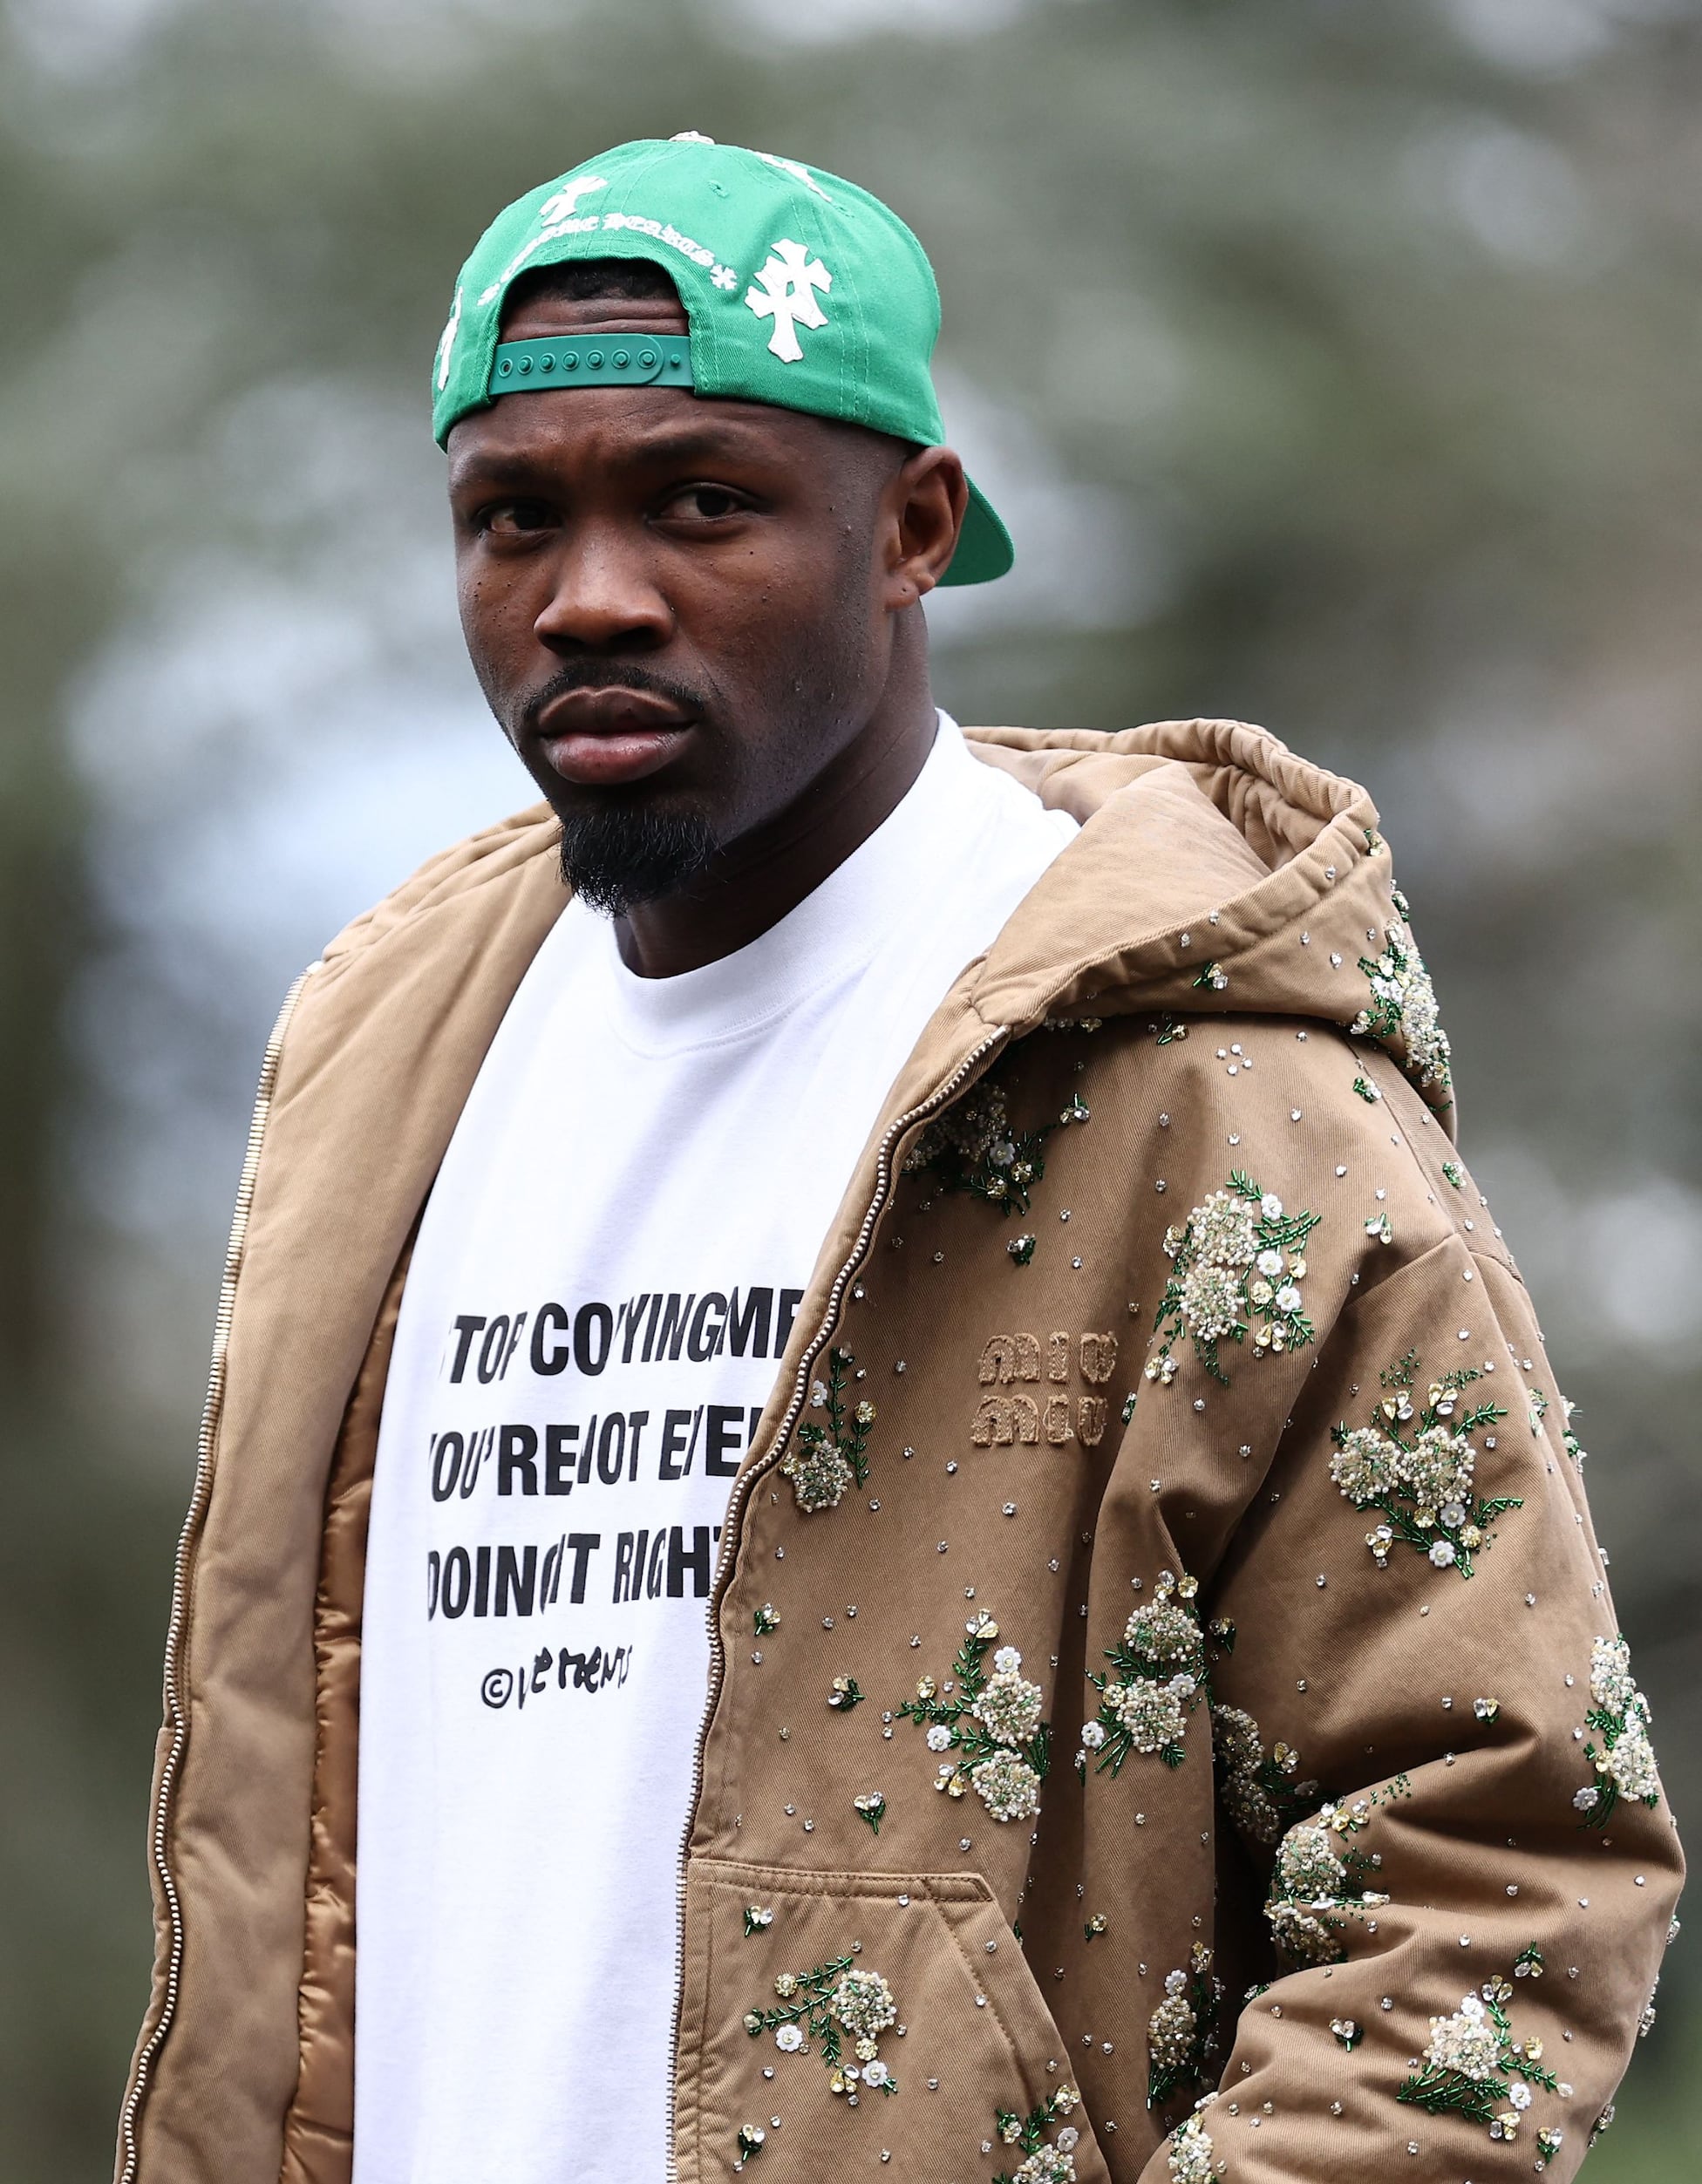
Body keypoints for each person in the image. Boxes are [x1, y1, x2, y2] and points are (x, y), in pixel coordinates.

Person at [115, 135, 1680, 2184]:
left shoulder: (1209, 1091)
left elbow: (1495, 1857)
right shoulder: (387, 1063)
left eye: (700, 500)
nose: (589, 595)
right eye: (513, 517)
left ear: (912, 528)